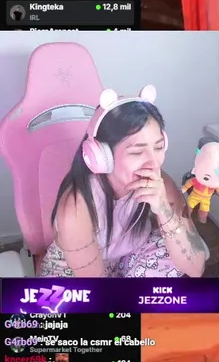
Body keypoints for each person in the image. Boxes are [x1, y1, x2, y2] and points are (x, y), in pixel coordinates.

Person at [39, 87, 210, 278]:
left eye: (159, 147)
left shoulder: (160, 183)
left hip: (123, 260)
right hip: (73, 275)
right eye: (137, 152)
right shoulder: (77, 206)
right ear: (101, 156)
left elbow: (196, 268)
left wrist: (163, 209)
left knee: (174, 248)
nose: (154, 163)